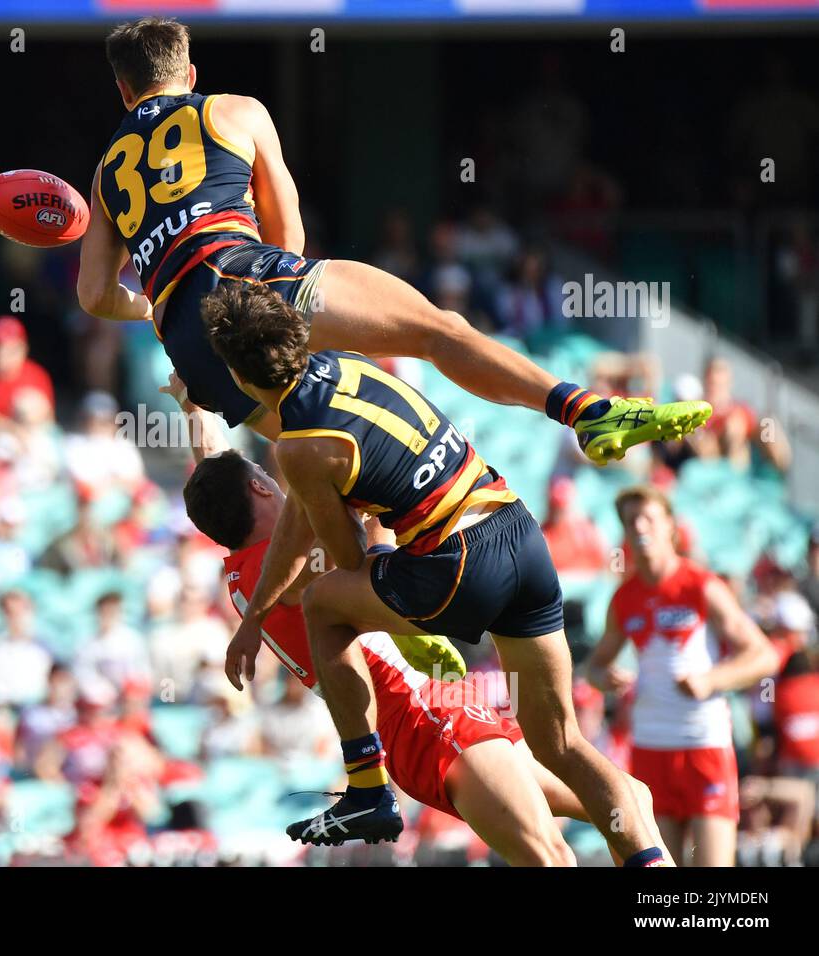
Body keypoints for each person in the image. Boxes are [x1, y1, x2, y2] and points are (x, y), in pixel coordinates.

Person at [77, 16, 709, 464]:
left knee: (329, 459)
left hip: (190, 341)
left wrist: (159, 309)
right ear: (189, 71)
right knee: (440, 331)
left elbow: (96, 295)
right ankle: (587, 414)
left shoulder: (106, 171)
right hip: (252, 275)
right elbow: (288, 227)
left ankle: (386, 597)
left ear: (123, 90)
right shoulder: (234, 110)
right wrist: (289, 312)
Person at [201, 282, 674, 866]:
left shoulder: (297, 458)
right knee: (565, 745)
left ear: (242, 381)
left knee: (326, 603)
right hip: (517, 530)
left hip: (457, 576)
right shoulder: (350, 365)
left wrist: (263, 609)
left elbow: (347, 557)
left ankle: (366, 784)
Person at [586, 486, 778, 866]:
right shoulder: (624, 598)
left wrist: (711, 680)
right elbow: (593, 668)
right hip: (650, 747)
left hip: (703, 743)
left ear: (670, 526)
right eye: (630, 521)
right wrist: (604, 678)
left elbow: (764, 656)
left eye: (649, 518)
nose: (640, 527)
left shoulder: (701, 586)